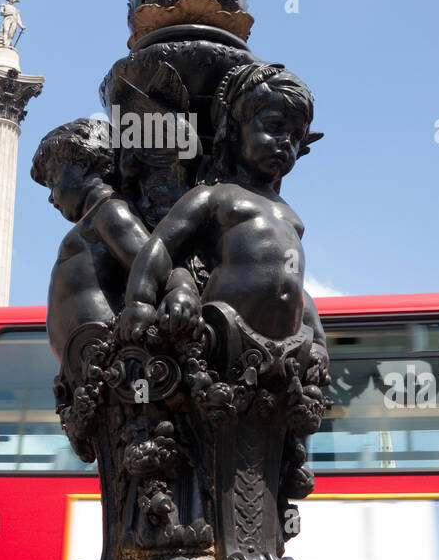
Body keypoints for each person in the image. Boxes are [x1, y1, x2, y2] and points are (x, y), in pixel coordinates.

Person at [119, 62, 322, 348]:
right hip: (222, 332)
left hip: (285, 348)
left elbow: (295, 283)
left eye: (295, 136)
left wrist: (319, 342)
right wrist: (139, 301)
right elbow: (162, 245)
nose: (285, 143)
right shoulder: (215, 195)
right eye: (275, 127)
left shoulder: (290, 216)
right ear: (235, 127)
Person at [32, 117, 196, 365]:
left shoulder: (109, 211)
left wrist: (181, 289)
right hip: (92, 368)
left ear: (83, 163)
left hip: (118, 360)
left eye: (52, 180)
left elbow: (153, 262)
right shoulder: (95, 218)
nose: (51, 197)